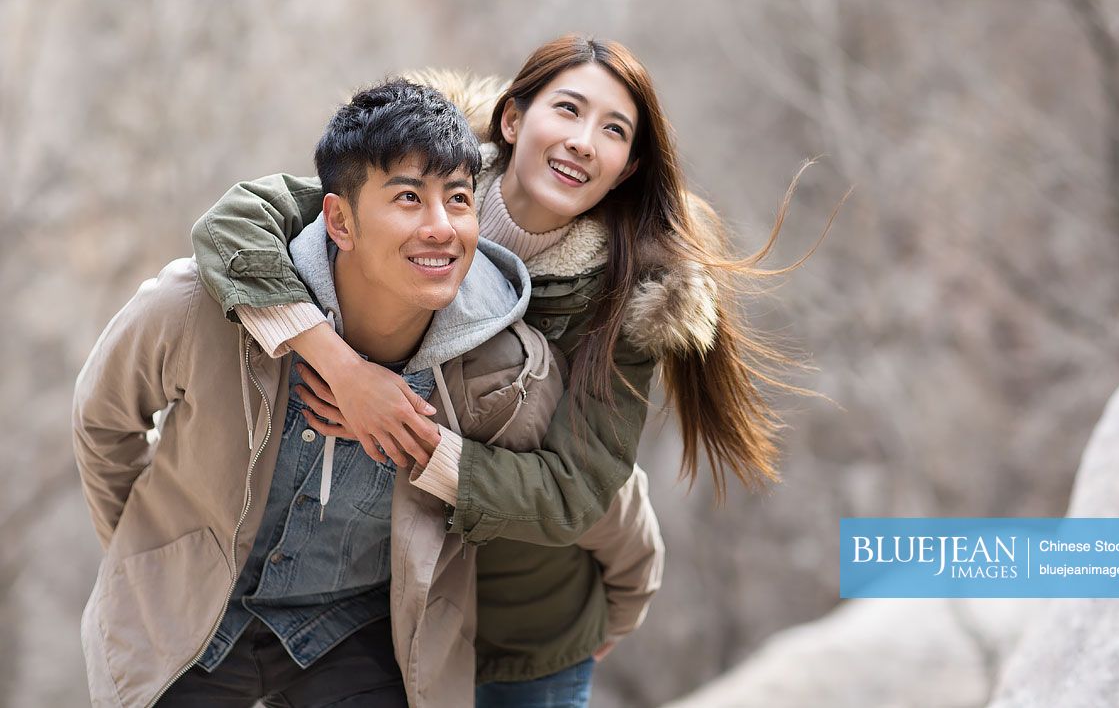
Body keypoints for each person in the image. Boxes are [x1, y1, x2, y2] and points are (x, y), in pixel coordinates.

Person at [191, 34, 816, 704]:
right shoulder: (426, 183)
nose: (582, 140)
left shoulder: (622, 300)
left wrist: (414, 439)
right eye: (568, 109)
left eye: (612, 130)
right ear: (514, 120)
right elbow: (234, 223)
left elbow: (580, 490)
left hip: (514, 631)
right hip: (376, 606)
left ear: (626, 168)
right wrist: (342, 369)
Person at [73, 79, 662, 708]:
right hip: (186, 624)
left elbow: (591, 489)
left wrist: (629, 594)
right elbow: (104, 425)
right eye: (408, 198)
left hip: (369, 633)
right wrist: (150, 559)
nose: (439, 226)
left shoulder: (506, 370)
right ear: (339, 221)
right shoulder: (195, 308)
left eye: (456, 199)